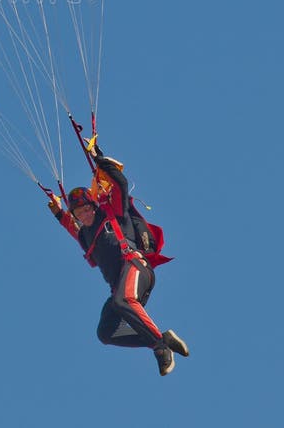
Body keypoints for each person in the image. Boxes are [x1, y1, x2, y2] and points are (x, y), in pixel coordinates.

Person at [48, 148, 189, 376]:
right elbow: (71, 228)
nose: (83, 215)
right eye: (78, 213)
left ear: (93, 206)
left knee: (122, 300)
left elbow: (120, 184)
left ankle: (161, 348)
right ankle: (160, 339)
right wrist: (58, 212)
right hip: (120, 287)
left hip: (137, 267)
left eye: (85, 209)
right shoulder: (85, 235)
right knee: (105, 332)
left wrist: (100, 160)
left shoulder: (113, 214)